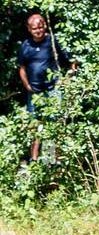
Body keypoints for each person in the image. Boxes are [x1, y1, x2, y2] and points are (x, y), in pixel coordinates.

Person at [17, 12, 75, 163]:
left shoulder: (53, 41)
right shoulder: (25, 45)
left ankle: (51, 160)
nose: (38, 30)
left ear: (45, 26)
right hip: (35, 92)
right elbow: (22, 68)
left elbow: (71, 60)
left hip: (53, 89)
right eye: (35, 28)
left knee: (53, 122)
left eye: (41, 27)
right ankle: (34, 161)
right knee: (34, 125)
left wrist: (66, 80)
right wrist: (27, 86)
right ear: (29, 29)